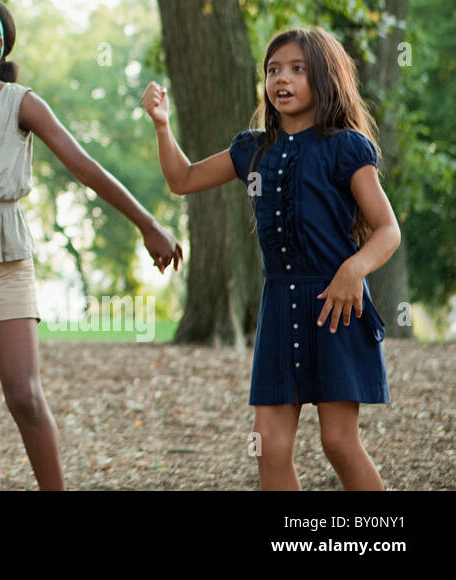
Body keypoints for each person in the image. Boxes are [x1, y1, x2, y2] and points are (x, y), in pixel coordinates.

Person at [0, 0, 181, 490]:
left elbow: (84, 167)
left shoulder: (20, 103)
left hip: (4, 256)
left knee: (23, 395)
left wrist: (147, 223)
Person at [141, 26, 399, 490]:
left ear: (325, 78)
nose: (282, 79)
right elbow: (182, 179)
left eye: (298, 70)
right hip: (279, 308)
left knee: (339, 443)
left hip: (337, 306)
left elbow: (387, 229)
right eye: (273, 70)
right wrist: (162, 124)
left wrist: (353, 270)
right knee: (268, 444)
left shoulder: (346, 147)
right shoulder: (252, 150)